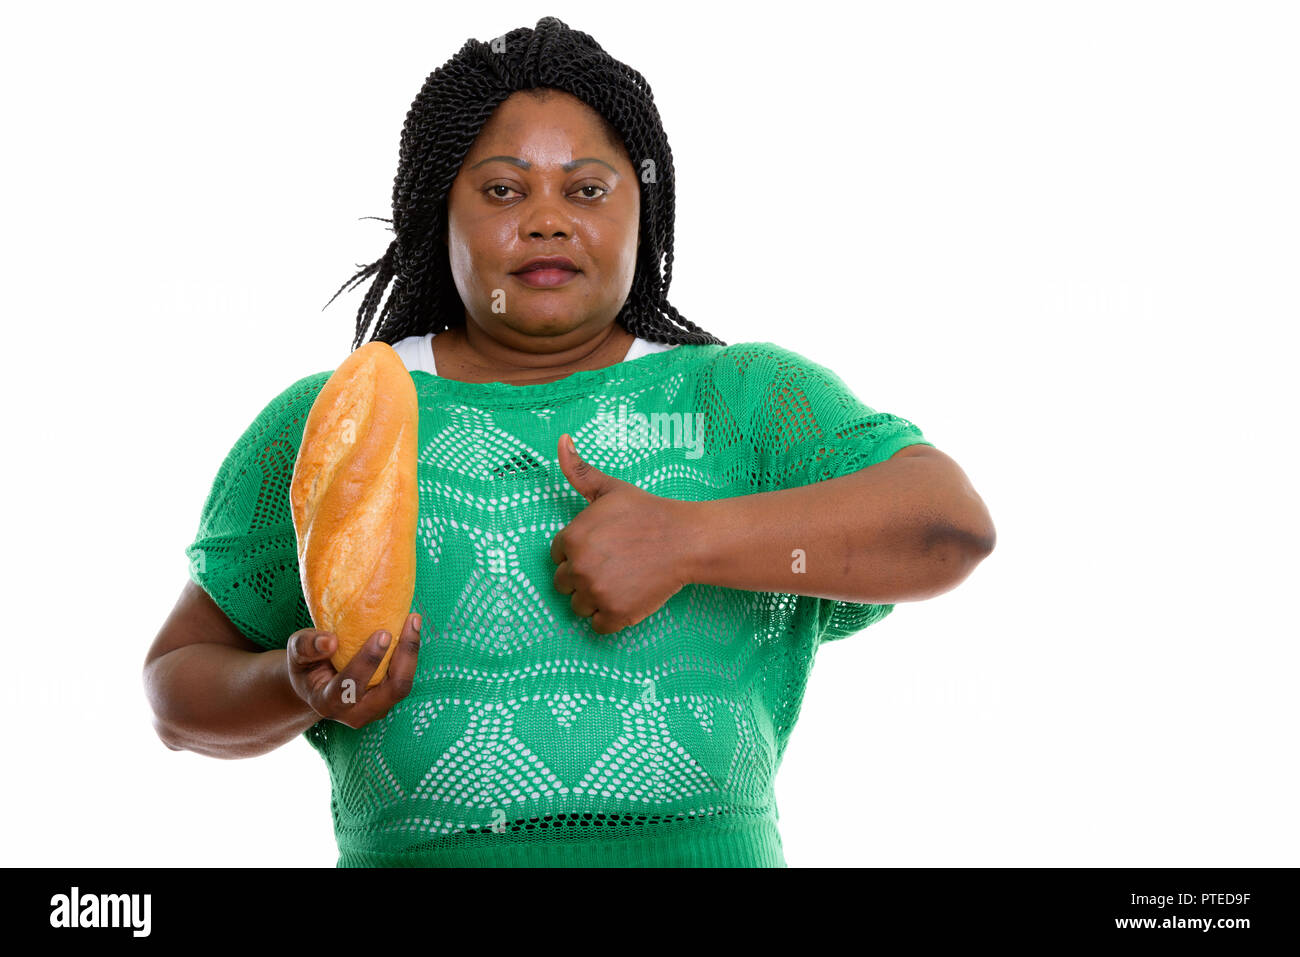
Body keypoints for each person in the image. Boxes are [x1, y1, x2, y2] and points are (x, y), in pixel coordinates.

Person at [144, 16, 995, 867]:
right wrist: (296, 687)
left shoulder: (739, 397)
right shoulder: (343, 415)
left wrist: (686, 540)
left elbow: (948, 524)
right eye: (503, 191)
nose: (547, 221)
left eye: (586, 189)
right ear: (438, 208)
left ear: (644, 210)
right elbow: (177, 689)